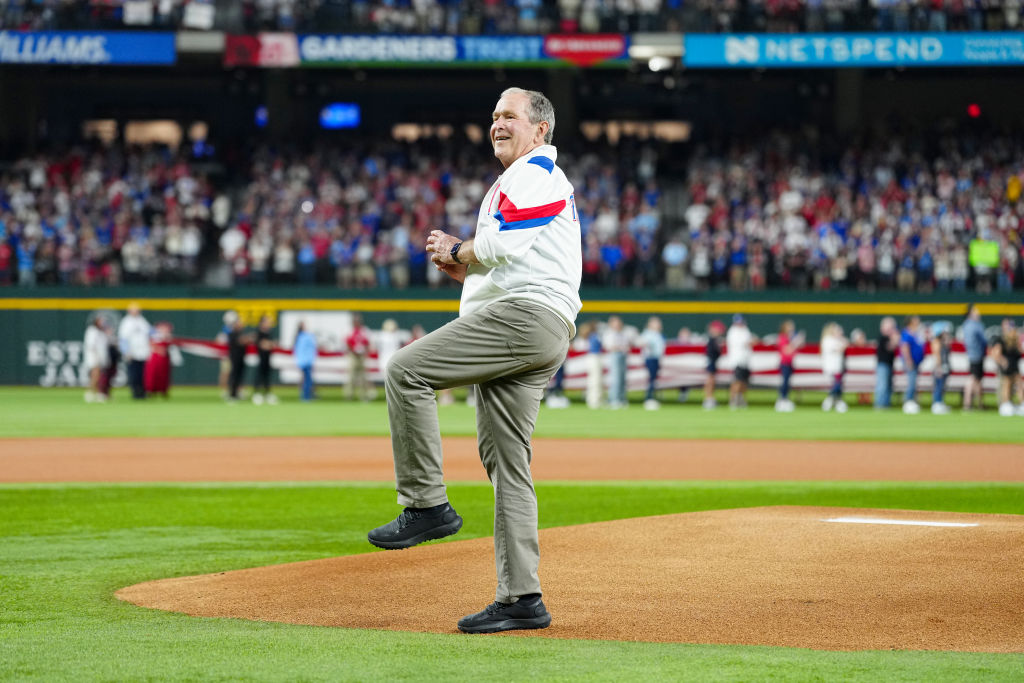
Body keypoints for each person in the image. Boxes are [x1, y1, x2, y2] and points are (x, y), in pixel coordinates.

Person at [367, 88, 580, 635]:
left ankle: (426, 505)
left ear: (541, 130)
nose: (497, 124)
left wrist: (463, 249)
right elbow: (514, 259)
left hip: (524, 319)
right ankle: (521, 597)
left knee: (405, 369)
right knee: (508, 464)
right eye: (493, 117)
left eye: (509, 116)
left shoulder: (537, 170)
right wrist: (466, 270)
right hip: (532, 318)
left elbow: (504, 241)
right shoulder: (522, 180)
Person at [118, 302, 152, 400]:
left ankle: (142, 392)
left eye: (137, 309)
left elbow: (150, 331)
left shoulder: (141, 320)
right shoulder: (126, 322)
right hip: (132, 353)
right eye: (134, 309)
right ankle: (135, 392)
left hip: (143, 352)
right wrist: (126, 351)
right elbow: (123, 338)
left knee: (142, 374)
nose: (136, 311)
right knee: (134, 374)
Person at [990, 319, 1023, 416]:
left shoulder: (1015, 340)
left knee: (1019, 385)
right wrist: (1003, 362)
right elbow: (995, 353)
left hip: (1015, 366)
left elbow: (1019, 352)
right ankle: (1005, 405)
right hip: (1007, 367)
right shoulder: (1001, 340)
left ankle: (1021, 404)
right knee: (1006, 385)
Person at [961, 304, 987, 411]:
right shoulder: (975, 325)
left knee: (977, 379)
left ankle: (979, 404)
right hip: (976, 354)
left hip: (973, 354)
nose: (977, 312)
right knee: (973, 378)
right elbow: (984, 340)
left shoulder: (966, 324)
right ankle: (967, 404)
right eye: (975, 310)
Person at [774, 319, 804, 412]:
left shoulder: (790, 337)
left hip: (790, 362)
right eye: (789, 326)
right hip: (784, 363)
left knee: (788, 382)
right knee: (785, 382)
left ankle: (785, 399)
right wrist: (795, 343)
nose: (792, 328)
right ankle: (781, 400)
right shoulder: (782, 337)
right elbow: (786, 350)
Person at [726, 314, 754, 409]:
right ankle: (733, 400)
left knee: (744, 382)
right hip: (737, 360)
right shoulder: (733, 331)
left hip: (745, 360)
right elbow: (743, 343)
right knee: (737, 381)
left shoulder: (745, 330)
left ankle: (740, 399)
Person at [602, 315, 630, 408]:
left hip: (623, 356)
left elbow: (627, 345)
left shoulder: (623, 333)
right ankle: (613, 399)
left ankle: (621, 398)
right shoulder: (609, 334)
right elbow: (608, 346)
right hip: (614, 356)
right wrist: (619, 347)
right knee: (615, 379)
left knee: (622, 378)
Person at [899, 315, 925, 414]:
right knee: (911, 382)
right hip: (910, 362)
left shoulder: (917, 333)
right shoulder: (907, 333)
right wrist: (908, 360)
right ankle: (908, 402)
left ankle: (912, 401)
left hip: (916, 361)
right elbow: (905, 347)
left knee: (914, 383)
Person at [820, 322, 849, 413]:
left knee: (838, 385)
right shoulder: (828, 340)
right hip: (831, 367)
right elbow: (840, 349)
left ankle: (837, 401)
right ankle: (830, 399)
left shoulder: (836, 340)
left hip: (838, 367)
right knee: (836, 384)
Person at [345, 313, 373, 402]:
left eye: (358, 321)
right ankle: (349, 396)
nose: (357, 322)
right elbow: (347, 344)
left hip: (361, 356)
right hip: (353, 356)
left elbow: (367, 343)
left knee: (363, 377)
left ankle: (363, 396)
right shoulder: (350, 331)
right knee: (351, 377)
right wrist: (353, 351)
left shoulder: (364, 331)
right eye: (356, 321)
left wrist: (365, 352)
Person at [640, 316, 665, 410]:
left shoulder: (659, 334)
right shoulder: (648, 334)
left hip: (656, 358)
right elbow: (643, 343)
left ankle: (652, 397)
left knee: (654, 380)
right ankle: (648, 398)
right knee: (651, 379)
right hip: (650, 358)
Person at [83, 315, 110, 403]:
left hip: (101, 357)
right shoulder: (92, 331)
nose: (102, 323)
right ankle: (90, 393)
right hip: (94, 357)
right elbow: (91, 345)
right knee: (95, 376)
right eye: (100, 321)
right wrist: (96, 357)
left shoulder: (102, 332)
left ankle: (98, 393)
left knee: (99, 376)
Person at [252, 315, 278, 405]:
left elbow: (272, 345)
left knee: (267, 377)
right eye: (266, 321)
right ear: (262, 323)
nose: (268, 323)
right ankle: (257, 394)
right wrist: (269, 344)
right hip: (261, 359)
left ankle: (267, 394)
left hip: (268, 359)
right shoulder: (259, 332)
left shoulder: (269, 333)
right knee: (259, 376)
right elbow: (263, 345)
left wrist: (269, 344)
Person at [874, 316, 899, 410]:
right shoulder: (883, 338)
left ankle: (886, 404)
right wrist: (895, 338)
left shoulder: (890, 337)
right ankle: (880, 404)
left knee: (889, 385)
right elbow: (890, 347)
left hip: (890, 364)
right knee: (882, 385)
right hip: (882, 365)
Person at [144, 322, 173, 398]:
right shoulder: (155, 335)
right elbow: (151, 344)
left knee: (163, 375)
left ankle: (163, 390)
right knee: (153, 374)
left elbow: (169, 345)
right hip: (156, 358)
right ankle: (151, 391)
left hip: (164, 358)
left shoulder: (168, 336)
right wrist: (159, 349)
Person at [929, 321, 953, 415]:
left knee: (942, 386)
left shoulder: (943, 342)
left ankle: (940, 402)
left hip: (944, 366)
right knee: (938, 385)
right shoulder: (936, 342)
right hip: (939, 367)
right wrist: (939, 367)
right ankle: (937, 403)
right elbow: (937, 356)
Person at [225, 312, 249, 402]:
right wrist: (249, 338)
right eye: (238, 323)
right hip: (234, 358)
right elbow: (241, 341)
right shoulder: (232, 333)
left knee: (240, 376)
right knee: (234, 376)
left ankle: (237, 393)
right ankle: (231, 395)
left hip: (241, 358)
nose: (241, 324)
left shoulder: (241, 333)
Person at [703, 320, 725, 409]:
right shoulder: (712, 339)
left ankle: (710, 398)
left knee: (712, 380)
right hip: (711, 361)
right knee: (710, 380)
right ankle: (708, 399)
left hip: (713, 362)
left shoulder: (716, 340)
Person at [293, 322, 317, 401]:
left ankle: (305, 395)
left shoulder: (300, 337)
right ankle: (306, 396)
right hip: (305, 361)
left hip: (304, 361)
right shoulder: (304, 337)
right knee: (307, 380)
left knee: (305, 379)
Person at [581, 321, 603, 409]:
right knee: (595, 380)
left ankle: (595, 399)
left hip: (593, 357)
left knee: (595, 380)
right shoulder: (593, 336)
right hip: (594, 357)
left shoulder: (592, 336)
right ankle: (594, 401)